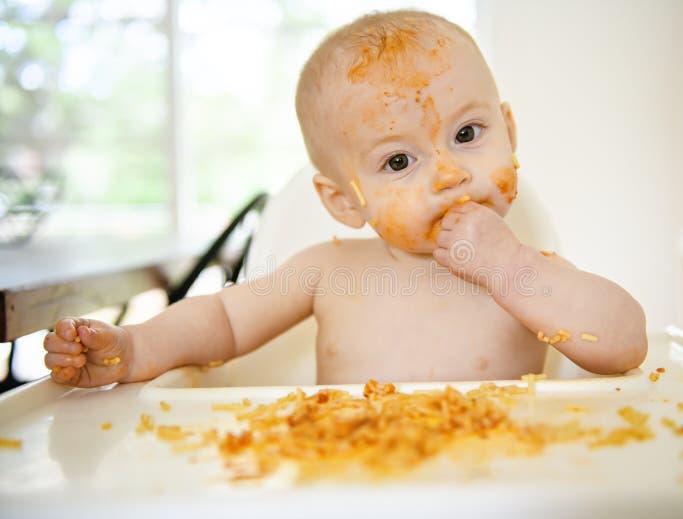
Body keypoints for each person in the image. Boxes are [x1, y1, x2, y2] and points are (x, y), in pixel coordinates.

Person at [43, 10, 647, 388]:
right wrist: (135, 346)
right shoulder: (326, 272)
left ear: (509, 136)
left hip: (493, 492)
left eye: (466, 134)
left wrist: (511, 268)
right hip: (344, 487)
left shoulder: (533, 276)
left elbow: (624, 345)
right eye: (399, 161)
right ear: (344, 201)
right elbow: (222, 321)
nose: (449, 174)